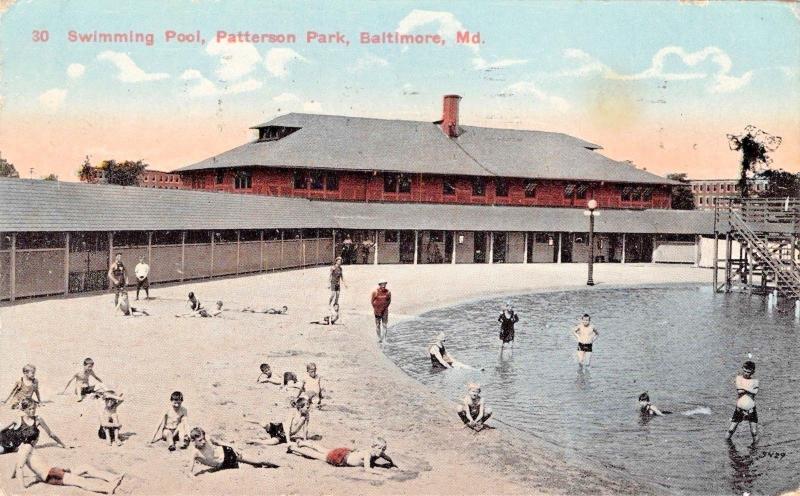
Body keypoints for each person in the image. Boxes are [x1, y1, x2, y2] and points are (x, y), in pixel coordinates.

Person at [11, 443, 124, 493]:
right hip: (51, 474)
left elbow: (17, 466)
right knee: (80, 480)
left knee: (85, 467)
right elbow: (20, 467)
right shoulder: (26, 447)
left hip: (54, 470)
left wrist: (13, 476)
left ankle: (112, 477)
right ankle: (106, 489)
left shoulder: (22, 450)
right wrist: (23, 487)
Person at [187, 427, 279, 475]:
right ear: (193, 441)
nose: (203, 442)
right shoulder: (194, 453)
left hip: (228, 452)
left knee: (258, 461)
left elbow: (219, 442)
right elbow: (189, 472)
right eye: (200, 440)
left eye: (203, 439)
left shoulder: (207, 438)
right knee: (251, 468)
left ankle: (279, 466)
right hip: (224, 465)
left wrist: (233, 447)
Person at [287, 437, 397, 472]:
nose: (383, 452)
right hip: (341, 458)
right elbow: (367, 469)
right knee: (318, 455)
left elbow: (387, 457)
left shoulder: (377, 452)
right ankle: (294, 448)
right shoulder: (368, 454)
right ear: (375, 447)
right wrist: (380, 473)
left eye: (384, 450)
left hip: (345, 452)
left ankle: (302, 442)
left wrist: (393, 463)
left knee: (323, 449)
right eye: (382, 449)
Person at [0, 399, 68, 454]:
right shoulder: (18, 419)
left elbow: (51, 434)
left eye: (34, 408)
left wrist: (63, 445)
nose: (32, 411)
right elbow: (2, 429)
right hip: (4, 440)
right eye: (30, 409)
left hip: (14, 447)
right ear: (24, 409)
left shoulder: (38, 419)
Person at [246, 396, 311, 445]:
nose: (308, 409)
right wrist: (288, 441)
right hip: (281, 428)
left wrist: (305, 439)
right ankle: (250, 420)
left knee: (272, 442)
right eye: (307, 407)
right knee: (264, 424)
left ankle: (254, 440)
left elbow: (305, 428)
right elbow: (287, 426)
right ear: (300, 407)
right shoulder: (293, 412)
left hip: (283, 434)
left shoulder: (306, 415)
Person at [726, 361, 759, 443]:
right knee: (731, 429)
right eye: (745, 371)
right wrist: (750, 389)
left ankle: (756, 448)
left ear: (752, 372)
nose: (746, 373)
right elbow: (739, 391)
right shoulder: (739, 378)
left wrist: (744, 387)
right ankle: (725, 445)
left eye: (748, 372)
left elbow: (755, 392)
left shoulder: (755, 381)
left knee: (754, 432)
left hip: (751, 409)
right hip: (739, 409)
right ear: (742, 369)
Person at [371, 279, 391, 343]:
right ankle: (379, 338)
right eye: (382, 284)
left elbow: (389, 301)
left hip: (385, 311)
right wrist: (376, 309)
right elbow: (372, 301)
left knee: (384, 325)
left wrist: (385, 308)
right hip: (377, 311)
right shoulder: (375, 292)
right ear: (379, 285)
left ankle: (384, 338)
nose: (383, 286)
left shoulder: (388, 292)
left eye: (384, 284)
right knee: (377, 325)